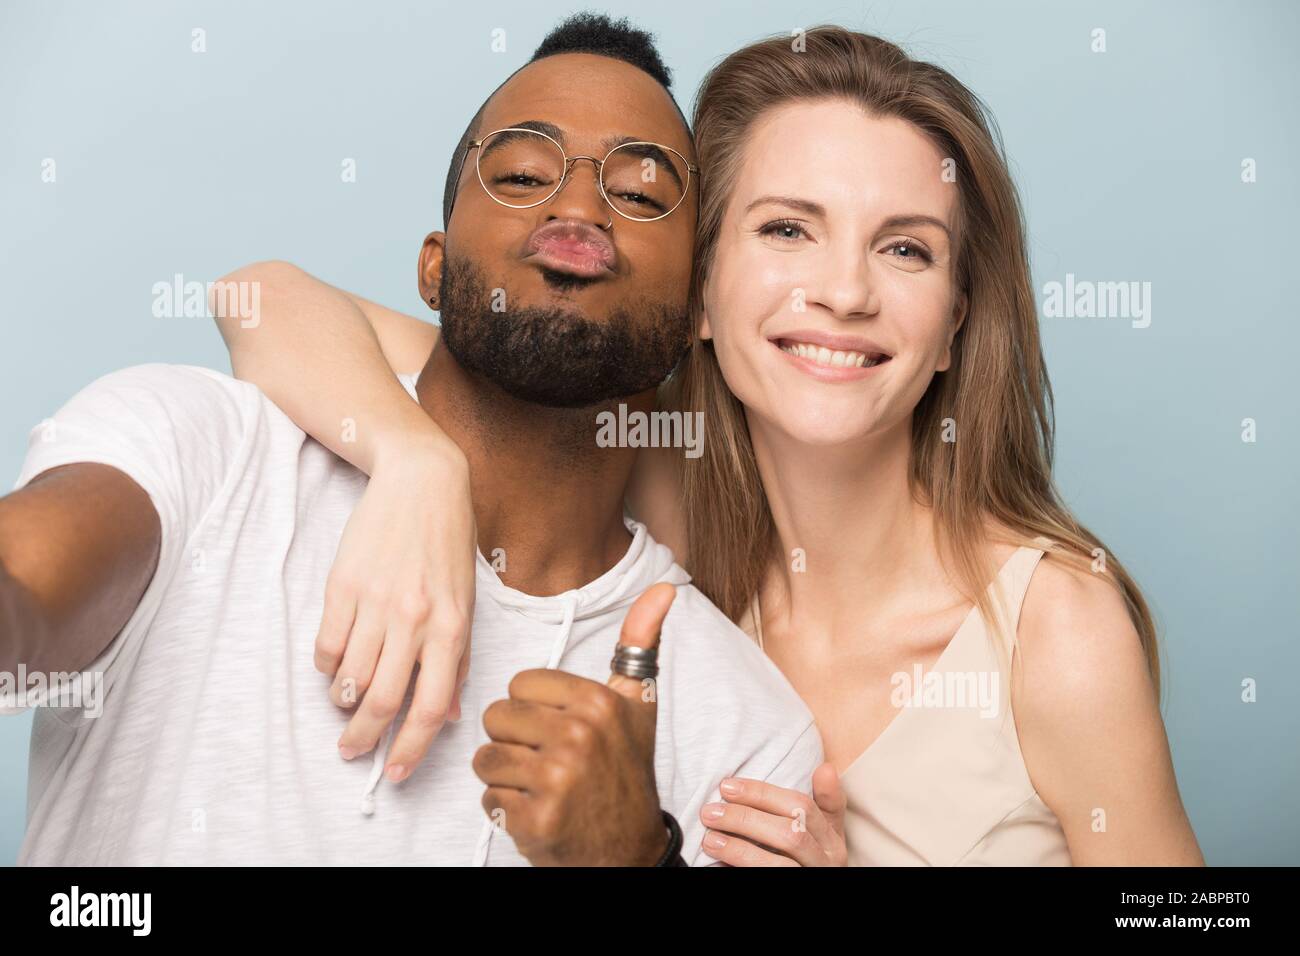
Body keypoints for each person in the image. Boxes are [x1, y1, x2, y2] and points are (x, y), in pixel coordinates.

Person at [222, 24, 1204, 865]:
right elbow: (260, 300)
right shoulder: (648, 488)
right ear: (697, 292)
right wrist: (414, 462)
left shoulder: (1056, 630)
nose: (844, 291)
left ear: (953, 322)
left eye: (904, 247)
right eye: (787, 229)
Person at [0, 14, 825, 866]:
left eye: (643, 194)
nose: (578, 208)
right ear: (434, 267)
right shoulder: (201, 449)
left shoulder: (750, 736)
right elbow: (24, 585)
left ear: (698, 309)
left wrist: (632, 861)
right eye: (521, 174)